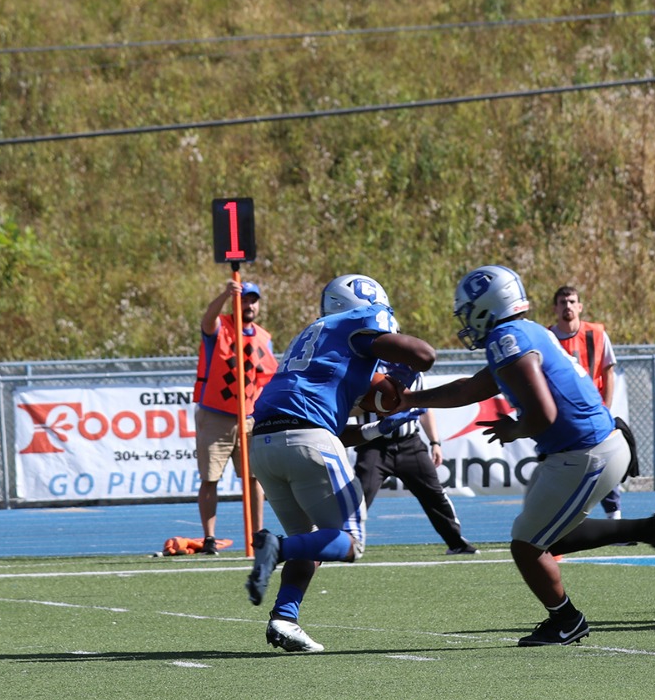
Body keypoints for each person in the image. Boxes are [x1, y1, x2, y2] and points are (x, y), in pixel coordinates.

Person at [401, 265, 655, 646]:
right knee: (546, 538)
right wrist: (408, 400)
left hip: (585, 452)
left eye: (468, 312)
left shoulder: (507, 338)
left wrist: (513, 429)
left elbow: (544, 413)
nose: (466, 321)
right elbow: (469, 390)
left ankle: (566, 621)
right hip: (586, 447)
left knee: (526, 545)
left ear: (487, 307)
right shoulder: (524, 331)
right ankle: (651, 529)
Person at [242, 274, 438, 653]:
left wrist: (375, 429)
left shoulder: (315, 340)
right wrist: (404, 371)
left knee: (312, 542)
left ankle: (284, 619)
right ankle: (276, 548)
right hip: (307, 440)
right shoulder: (357, 323)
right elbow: (424, 354)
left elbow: (322, 425)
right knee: (350, 542)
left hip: (265, 445)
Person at [343, 375, 477, 555]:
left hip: (409, 444)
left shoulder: (415, 373)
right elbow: (348, 409)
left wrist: (435, 442)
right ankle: (341, 542)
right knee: (359, 496)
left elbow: (425, 410)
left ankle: (457, 543)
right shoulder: (367, 371)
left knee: (434, 494)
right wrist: (373, 403)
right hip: (373, 446)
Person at [193, 279, 277, 554]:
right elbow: (207, 320)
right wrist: (224, 294)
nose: (249, 305)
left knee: (254, 478)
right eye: (244, 300)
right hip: (216, 416)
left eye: (253, 300)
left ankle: (257, 535)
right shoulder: (220, 328)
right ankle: (209, 538)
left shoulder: (263, 337)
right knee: (210, 478)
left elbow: (267, 376)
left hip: (249, 417)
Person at [552, 284, 625, 520]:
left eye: (572, 302)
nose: (568, 306)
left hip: (593, 413)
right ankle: (564, 520)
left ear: (580, 306)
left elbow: (608, 371)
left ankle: (614, 517)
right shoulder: (547, 338)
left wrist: (605, 407)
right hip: (561, 416)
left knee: (603, 461)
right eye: (563, 302)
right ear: (555, 308)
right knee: (561, 466)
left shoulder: (597, 334)